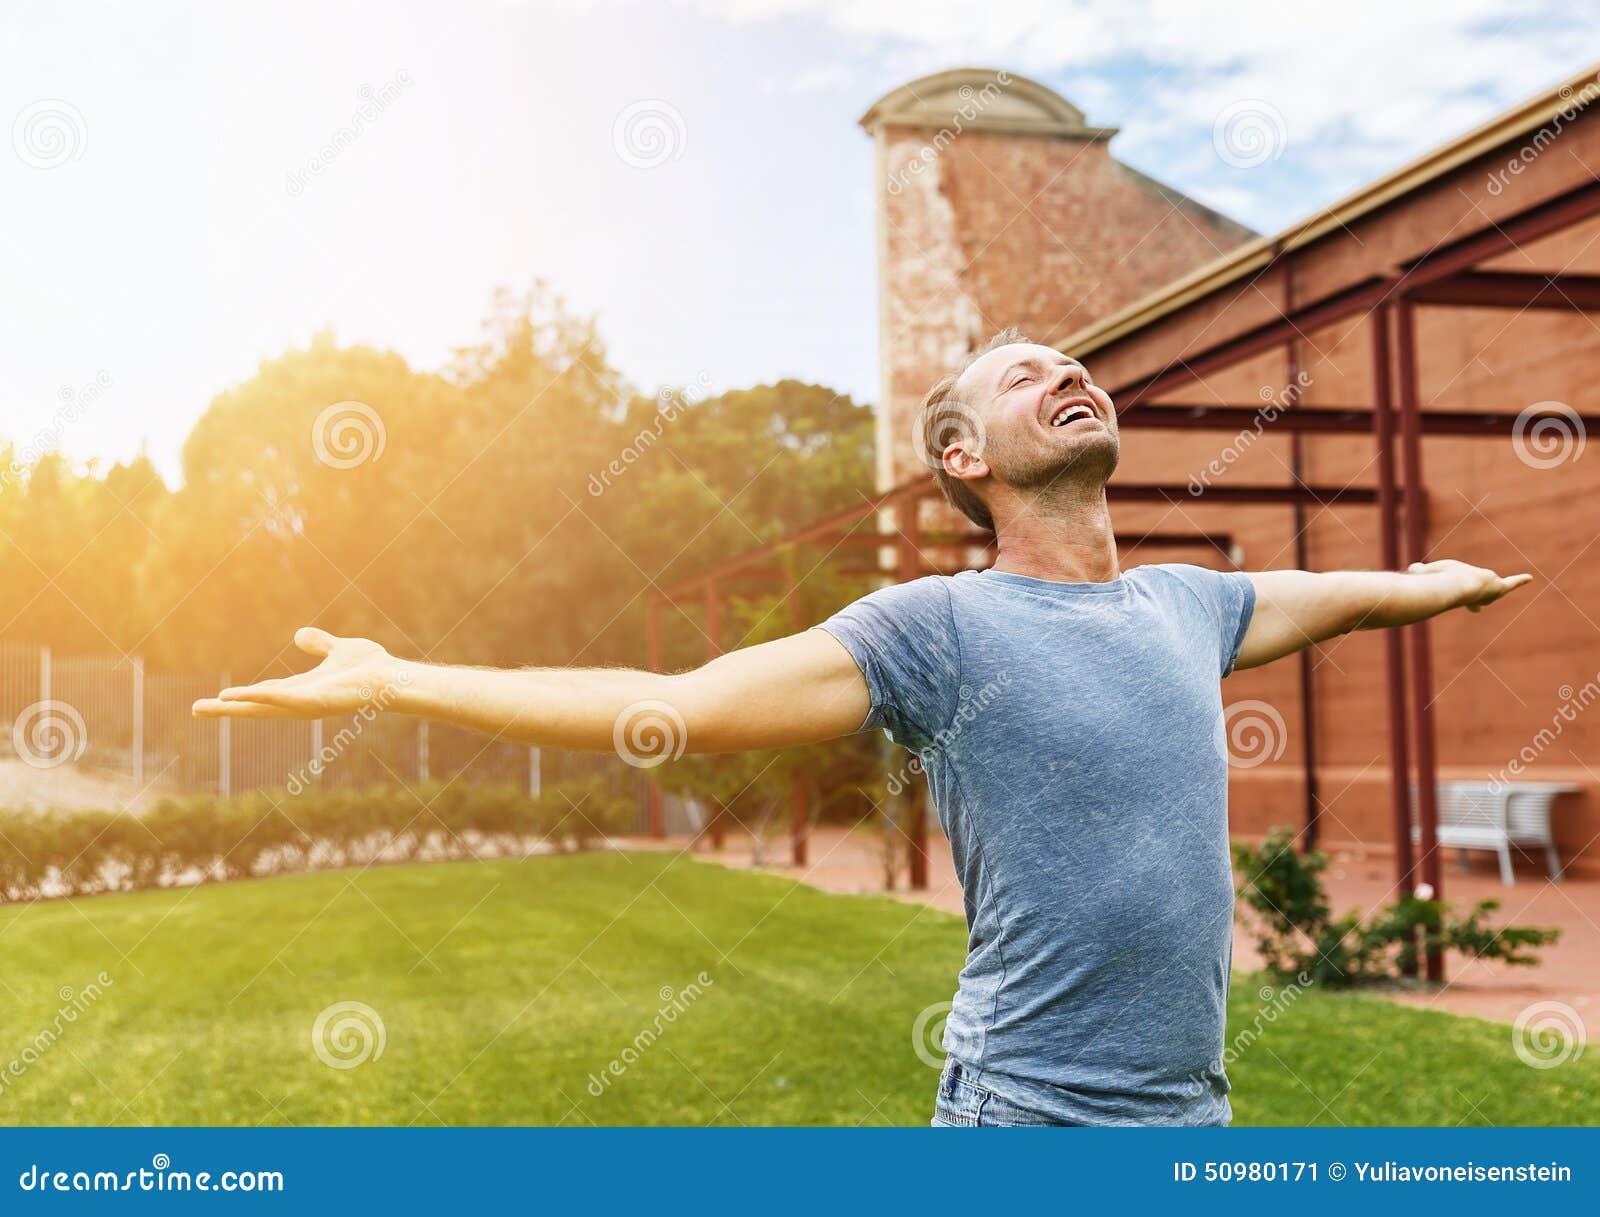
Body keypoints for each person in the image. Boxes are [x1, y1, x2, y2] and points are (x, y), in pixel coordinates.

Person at [194, 328, 1530, 1127]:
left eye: (1068, 361)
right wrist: (395, 678)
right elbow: (673, 707)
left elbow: (1339, 599)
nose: (1064, 368)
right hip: (1031, 1116)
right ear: (966, 459)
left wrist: (1436, 585)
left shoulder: (1189, 602)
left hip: (1194, 1109)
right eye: (1020, 378)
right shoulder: (934, 628)